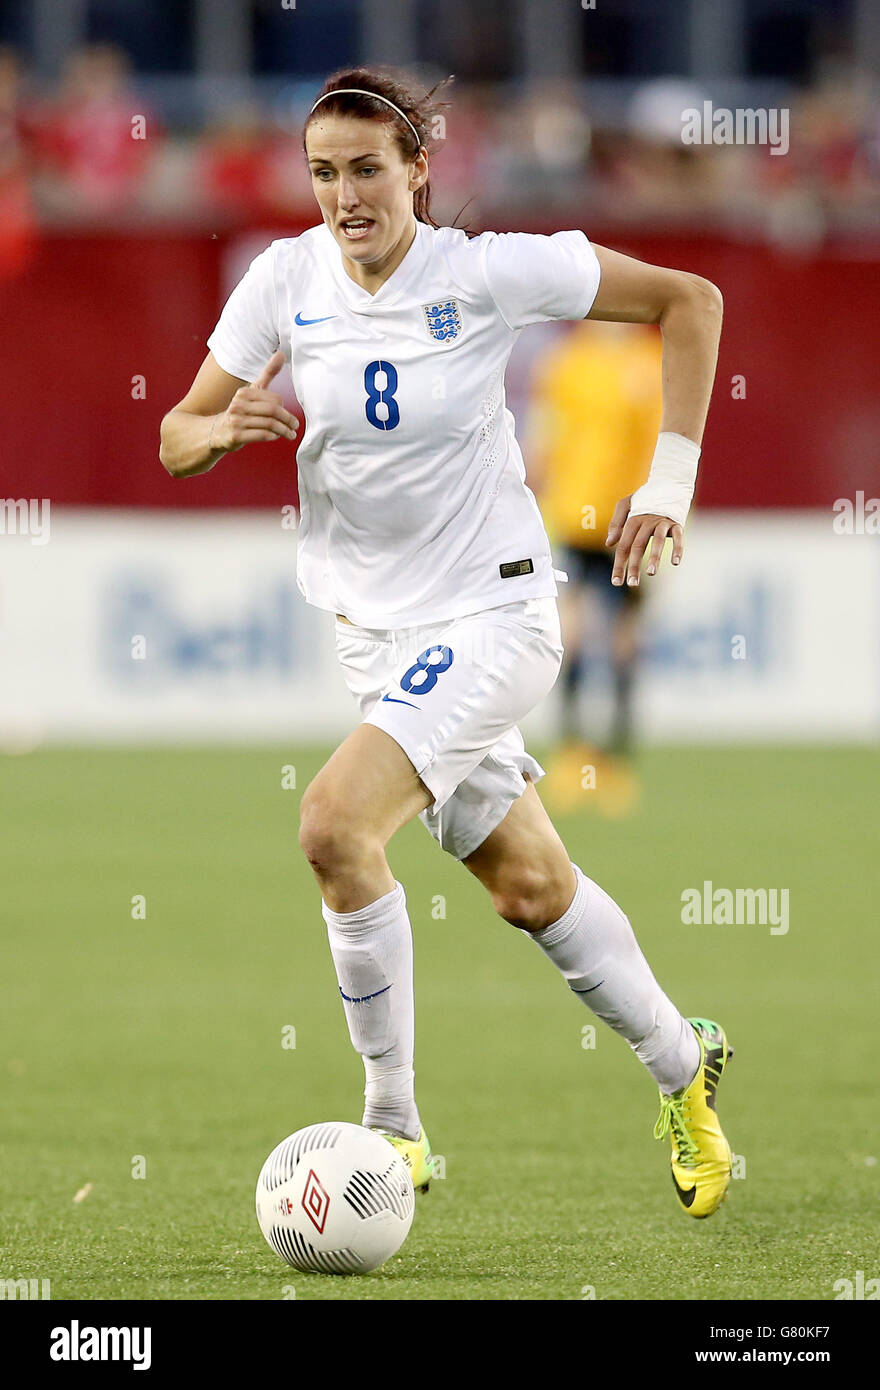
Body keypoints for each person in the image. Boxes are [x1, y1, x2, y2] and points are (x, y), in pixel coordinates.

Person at [159, 68, 731, 1220]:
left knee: (332, 822)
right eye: (322, 172)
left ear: (419, 170)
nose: (343, 196)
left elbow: (692, 299)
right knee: (529, 887)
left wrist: (666, 484)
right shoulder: (284, 280)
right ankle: (685, 1064)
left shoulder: (486, 272)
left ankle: (392, 1129)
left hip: (495, 613)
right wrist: (223, 427)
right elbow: (174, 435)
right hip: (375, 637)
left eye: (367, 169)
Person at [525, 319, 663, 814]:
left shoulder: (613, 363)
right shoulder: (591, 363)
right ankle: (590, 757)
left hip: (607, 515)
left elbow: (661, 443)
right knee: (592, 628)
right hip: (598, 515)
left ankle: (596, 756)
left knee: (606, 627)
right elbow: (547, 435)